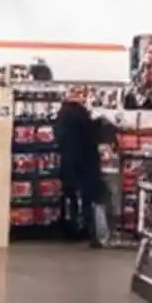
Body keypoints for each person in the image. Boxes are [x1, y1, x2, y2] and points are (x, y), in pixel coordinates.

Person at [53, 87, 103, 248]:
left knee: (70, 196)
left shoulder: (62, 114)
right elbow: (91, 135)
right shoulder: (82, 114)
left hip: (68, 160)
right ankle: (88, 230)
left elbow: (58, 136)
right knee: (88, 197)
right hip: (85, 161)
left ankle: (71, 227)